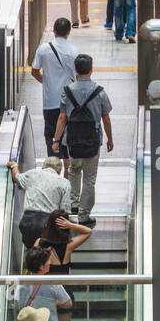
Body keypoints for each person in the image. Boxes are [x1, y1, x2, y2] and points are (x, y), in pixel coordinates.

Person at [51, 54, 113, 226]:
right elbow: (106, 118)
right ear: (91, 70)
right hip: (92, 142)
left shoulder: (67, 91)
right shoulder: (99, 92)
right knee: (89, 179)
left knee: (73, 171)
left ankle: (74, 206)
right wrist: (110, 139)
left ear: (76, 70)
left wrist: (56, 140)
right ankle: (84, 216)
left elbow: (62, 118)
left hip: (72, 141)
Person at [32, 18, 79, 173]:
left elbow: (34, 71)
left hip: (50, 102)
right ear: (69, 32)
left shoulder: (43, 49)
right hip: (69, 103)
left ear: (53, 31)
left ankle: (52, 174)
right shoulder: (74, 52)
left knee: (51, 139)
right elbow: (78, 77)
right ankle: (67, 177)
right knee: (68, 141)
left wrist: (46, 82)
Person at [36, 211, 94, 321]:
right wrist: (71, 225)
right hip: (64, 296)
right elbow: (88, 231)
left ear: (49, 225)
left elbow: (32, 266)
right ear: (65, 228)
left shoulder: (39, 244)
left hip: (45, 294)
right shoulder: (68, 246)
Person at [6, 157, 72, 247]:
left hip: (27, 221)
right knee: (46, 253)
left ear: (43, 167)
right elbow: (65, 211)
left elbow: (16, 178)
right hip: (48, 223)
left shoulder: (33, 174)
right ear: (59, 171)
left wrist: (14, 166)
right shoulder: (65, 183)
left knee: (32, 252)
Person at [17, 245, 72, 321]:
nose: (50, 262)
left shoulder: (19, 285)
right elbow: (68, 303)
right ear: (41, 267)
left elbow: (18, 309)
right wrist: (54, 303)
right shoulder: (52, 284)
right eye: (47, 261)